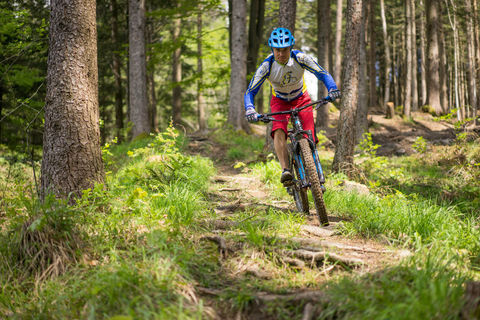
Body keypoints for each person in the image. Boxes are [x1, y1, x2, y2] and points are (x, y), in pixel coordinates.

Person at [244, 27, 341, 185]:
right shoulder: (266, 66)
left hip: (301, 98)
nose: (281, 54)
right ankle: (286, 170)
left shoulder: (300, 58)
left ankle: (313, 166)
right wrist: (250, 108)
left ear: (291, 48)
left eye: (284, 50)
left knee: (309, 133)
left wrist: (332, 88)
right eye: (277, 50)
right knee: (279, 130)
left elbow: (321, 73)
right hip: (279, 101)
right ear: (272, 49)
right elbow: (250, 91)